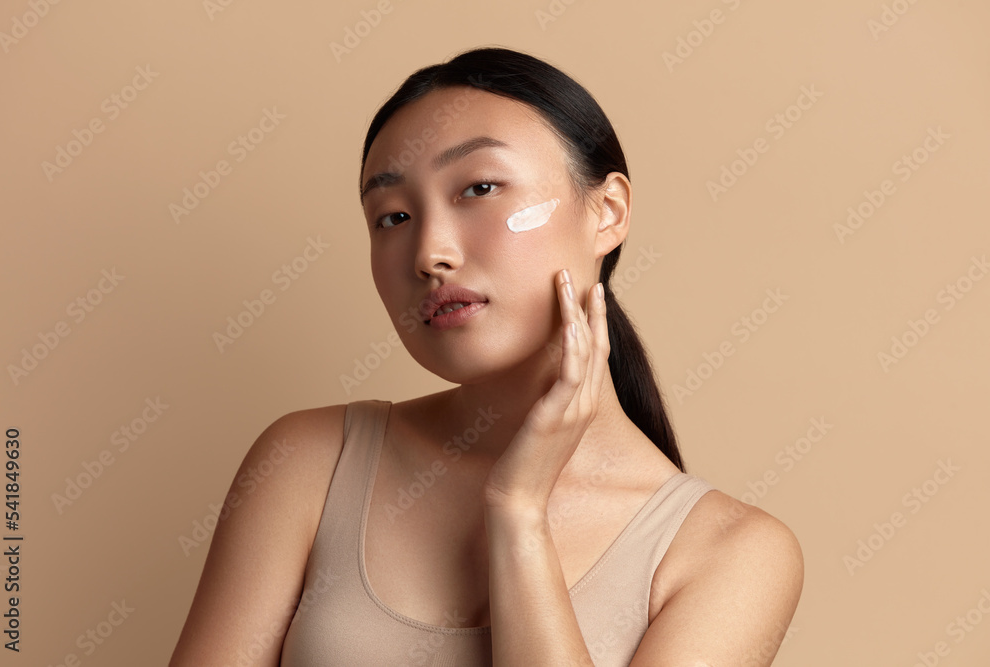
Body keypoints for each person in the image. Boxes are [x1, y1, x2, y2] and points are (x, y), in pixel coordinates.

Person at [169, 46, 803, 666]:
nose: (430, 254)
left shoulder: (730, 554)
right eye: (392, 217)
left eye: (479, 187)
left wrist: (519, 511)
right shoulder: (311, 463)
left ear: (608, 212)